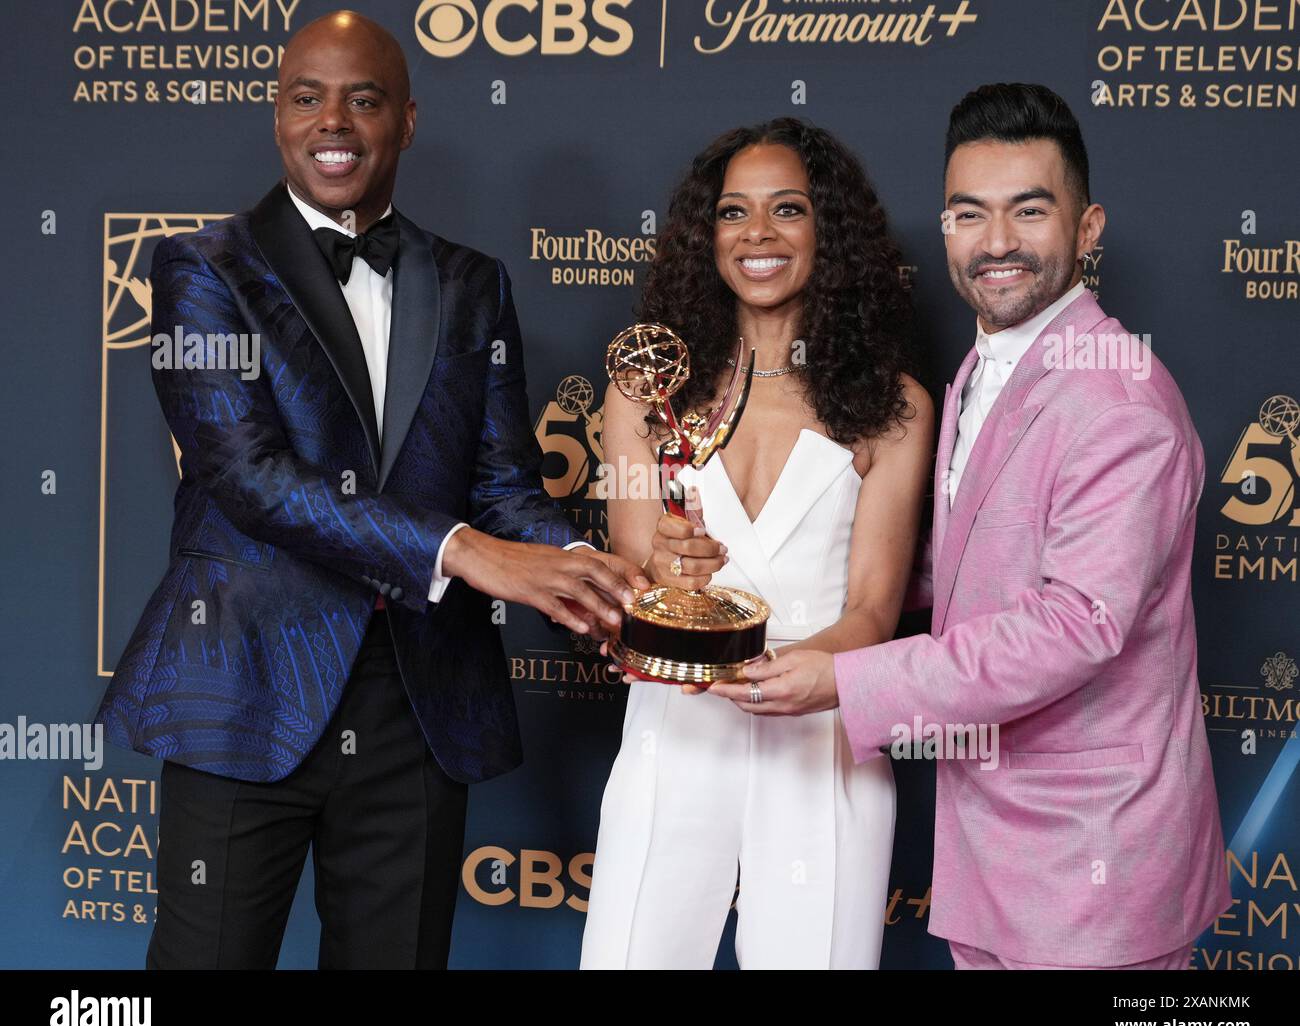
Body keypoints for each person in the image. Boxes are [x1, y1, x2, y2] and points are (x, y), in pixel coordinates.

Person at [95, 11, 646, 970]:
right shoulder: (202, 268)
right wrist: (462, 550)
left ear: (408, 119)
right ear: (277, 119)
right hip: (243, 689)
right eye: (306, 98)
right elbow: (248, 477)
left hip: (418, 703)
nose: (333, 121)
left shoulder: (476, 285)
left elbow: (506, 484)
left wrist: (582, 575)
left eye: (363, 98)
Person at [713, 84, 1231, 970]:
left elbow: (1075, 625)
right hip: (996, 856)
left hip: (1090, 868)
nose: (996, 243)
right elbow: (968, 567)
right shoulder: (986, 369)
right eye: (969, 214)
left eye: (1029, 211)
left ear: (1089, 226)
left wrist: (847, 675)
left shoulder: (1119, 400)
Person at [580, 118, 932, 969]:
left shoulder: (898, 407)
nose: (758, 235)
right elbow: (634, 578)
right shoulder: (646, 393)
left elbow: (873, 611)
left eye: (787, 210)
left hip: (822, 743)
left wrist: (796, 676)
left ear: (830, 232)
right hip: (676, 733)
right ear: (708, 238)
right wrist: (663, 574)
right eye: (734, 213)